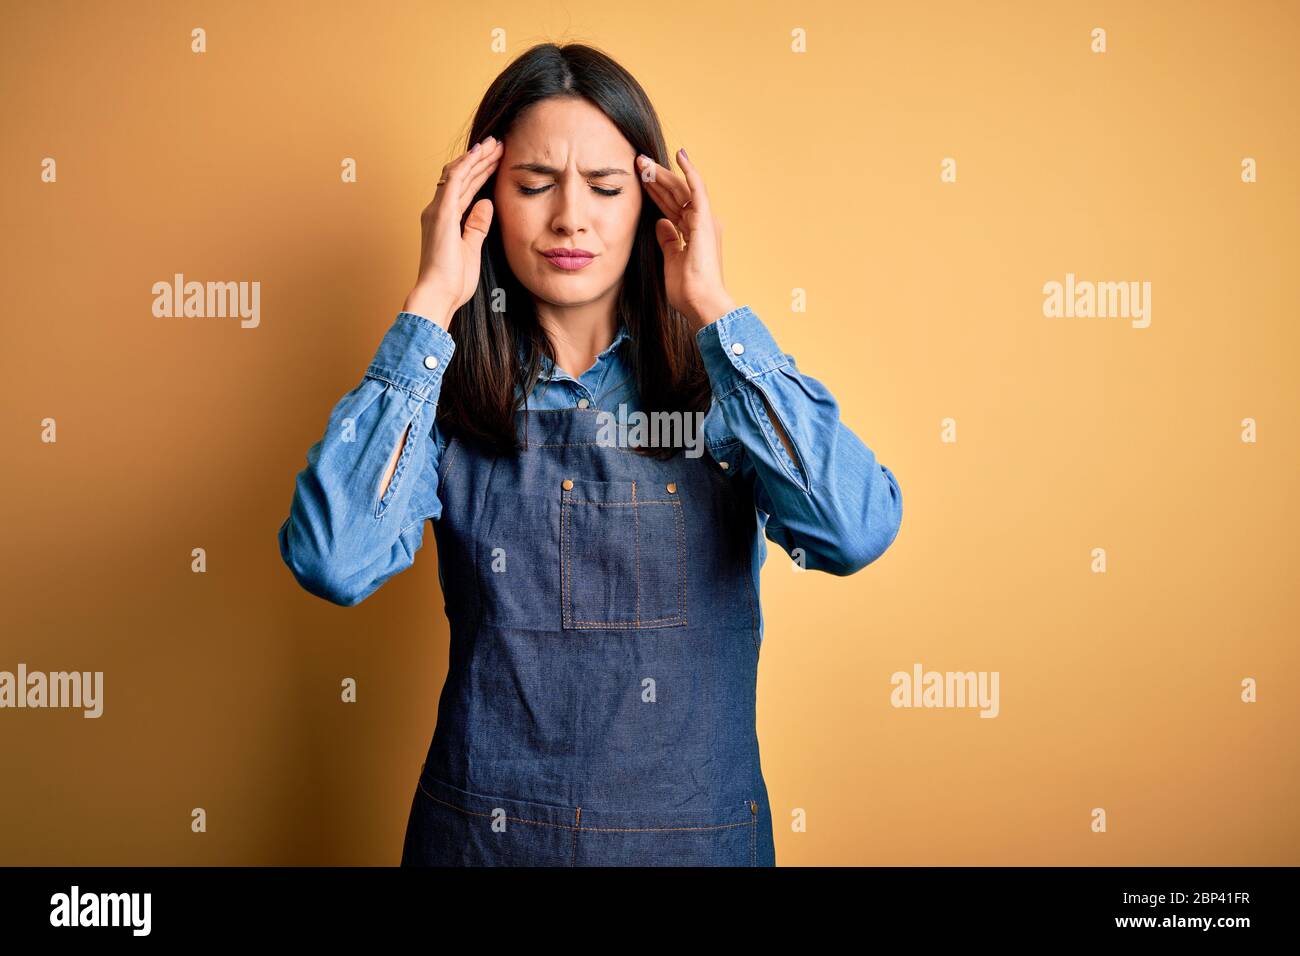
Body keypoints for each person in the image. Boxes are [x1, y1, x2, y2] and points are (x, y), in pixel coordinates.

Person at [277, 42, 903, 866]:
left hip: (693, 842)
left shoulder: (721, 395)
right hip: (483, 844)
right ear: (485, 204)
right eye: (534, 185)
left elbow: (854, 530)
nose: (570, 216)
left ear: (649, 206)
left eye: (606, 189)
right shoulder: (444, 395)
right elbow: (333, 559)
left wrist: (715, 307)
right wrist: (431, 303)